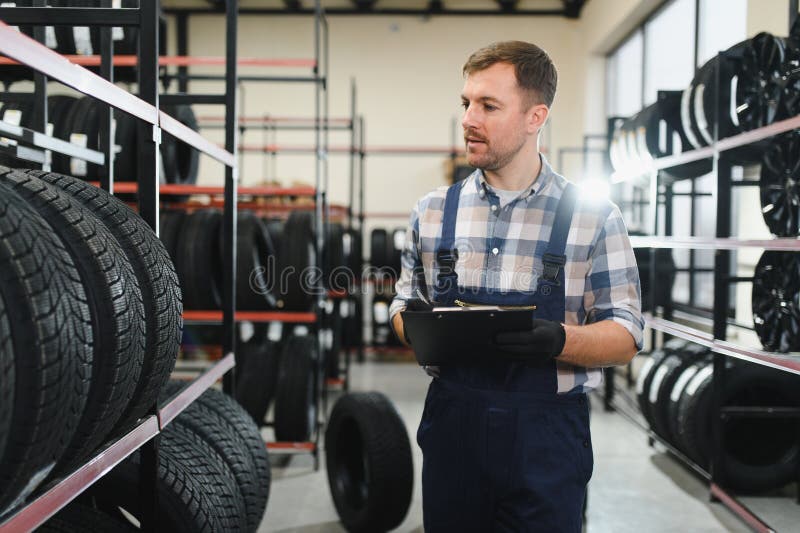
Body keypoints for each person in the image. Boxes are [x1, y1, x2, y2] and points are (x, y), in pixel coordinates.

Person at [389, 41, 644, 532]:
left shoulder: (593, 218)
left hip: (546, 439)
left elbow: (628, 333)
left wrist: (562, 340)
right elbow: (403, 302)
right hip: (453, 430)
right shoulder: (433, 211)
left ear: (535, 117)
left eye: (488, 105)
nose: (468, 118)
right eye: (466, 103)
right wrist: (414, 326)